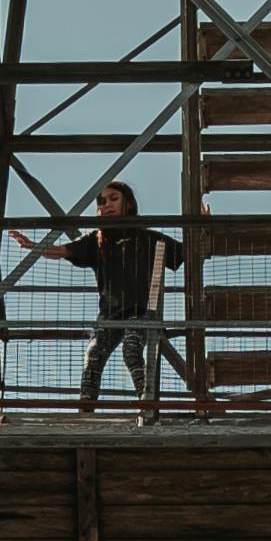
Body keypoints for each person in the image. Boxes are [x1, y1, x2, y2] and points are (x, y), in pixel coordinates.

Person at [76, 171, 168, 408]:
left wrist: (201, 226)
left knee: (131, 348)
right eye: (102, 202)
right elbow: (63, 251)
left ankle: (146, 400)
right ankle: (86, 406)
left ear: (128, 204)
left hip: (141, 311)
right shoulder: (97, 240)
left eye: (113, 199)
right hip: (110, 314)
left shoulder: (147, 238)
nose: (107, 205)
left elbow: (187, 252)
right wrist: (33, 246)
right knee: (93, 353)